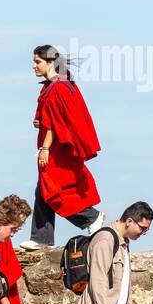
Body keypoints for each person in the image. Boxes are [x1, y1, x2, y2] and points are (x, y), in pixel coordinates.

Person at [21, 44, 104, 250]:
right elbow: (51, 118)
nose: (34, 66)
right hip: (56, 147)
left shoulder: (58, 87)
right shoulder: (56, 84)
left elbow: (56, 122)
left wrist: (45, 148)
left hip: (57, 150)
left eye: (37, 62)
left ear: (50, 63)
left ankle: (90, 218)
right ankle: (41, 238)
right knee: (43, 190)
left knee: (53, 191)